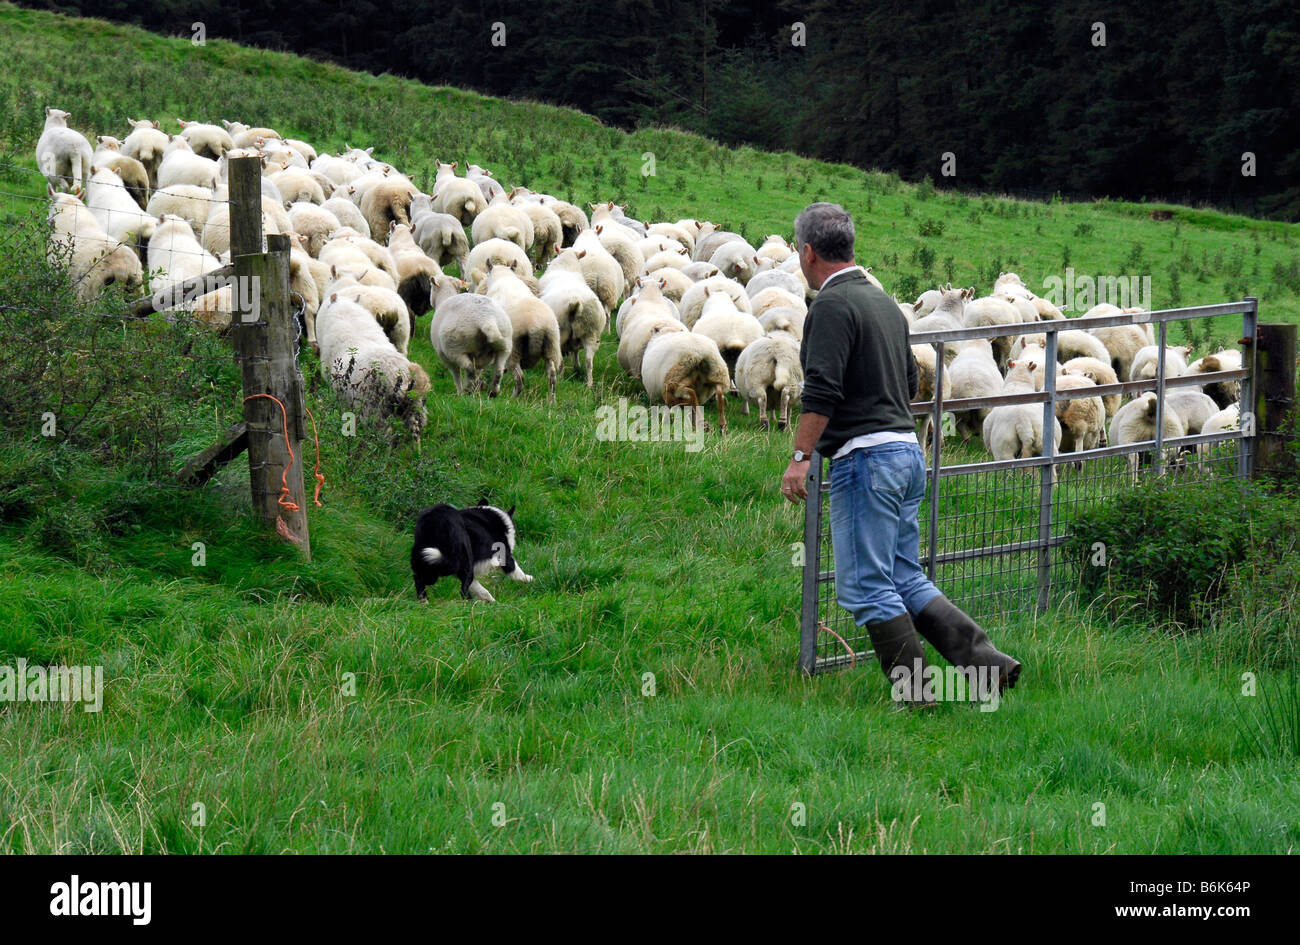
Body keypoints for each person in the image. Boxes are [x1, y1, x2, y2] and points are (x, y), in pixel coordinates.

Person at [780, 202, 1021, 706]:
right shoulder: (886, 304)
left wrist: (800, 457)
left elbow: (821, 388)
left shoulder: (829, 306)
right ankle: (986, 666)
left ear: (806, 252)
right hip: (908, 452)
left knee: (868, 587)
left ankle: (917, 696)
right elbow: (913, 381)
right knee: (903, 575)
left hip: (865, 460)